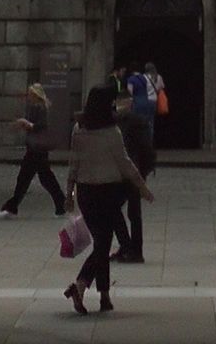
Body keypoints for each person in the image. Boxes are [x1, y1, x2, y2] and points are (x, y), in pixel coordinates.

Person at [65, 82, 151, 317]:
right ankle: (81, 286)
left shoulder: (78, 129)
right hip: (108, 193)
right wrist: (142, 187)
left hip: (86, 192)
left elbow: (74, 164)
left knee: (102, 243)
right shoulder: (112, 131)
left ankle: (104, 296)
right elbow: (125, 163)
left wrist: (69, 193)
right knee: (103, 243)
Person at [1, 81, 68, 217]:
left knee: (26, 179)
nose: (28, 97)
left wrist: (26, 124)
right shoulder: (34, 107)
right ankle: (61, 204)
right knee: (44, 179)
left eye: (31, 94)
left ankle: (11, 207)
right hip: (36, 148)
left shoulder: (40, 107)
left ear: (36, 95)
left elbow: (39, 126)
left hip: (36, 149)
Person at [115, 80, 156, 262]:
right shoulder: (118, 122)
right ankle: (129, 248)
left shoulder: (133, 122)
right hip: (127, 172)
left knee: (128, 212)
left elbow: (146, 149)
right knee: (126, 211)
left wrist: (144, 171)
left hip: (130, 172)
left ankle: (131, 249)